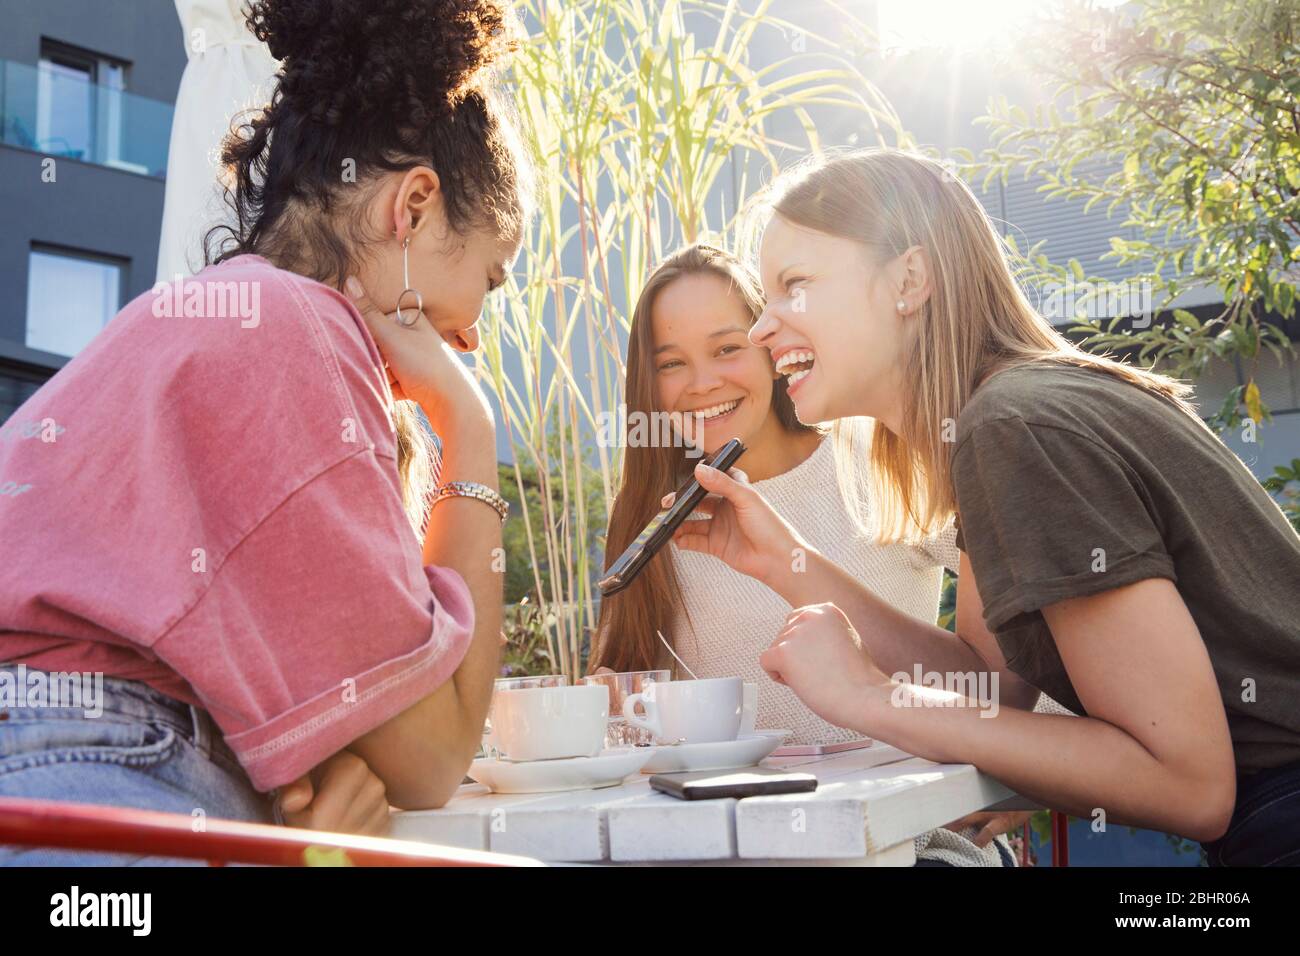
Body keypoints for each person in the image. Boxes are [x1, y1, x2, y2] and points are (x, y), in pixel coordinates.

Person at [0, 0, 534, 863]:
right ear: (416, 206)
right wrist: (467, 428)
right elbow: (434, 755)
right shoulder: (295, 334)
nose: (473, 334)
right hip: (83, 781)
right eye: (493, 279)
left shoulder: (196, 321)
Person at [672, 148, 1300, 866]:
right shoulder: (1008, 413)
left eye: (796, 286)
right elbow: (990, 684)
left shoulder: (1016, 428)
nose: (761, 328)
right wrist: (786, 561)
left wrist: (871, 699)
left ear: (909, 279)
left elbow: (1189, 785)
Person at [590, 243, 1021, 866]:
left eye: (726, 348)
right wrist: (608, 714)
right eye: (672, 363)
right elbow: (637, 704)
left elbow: (1050, 644)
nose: (702, 382)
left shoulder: (881, 463)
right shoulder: (657, 522)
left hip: (909, 840)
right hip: (733, 850)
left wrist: (1032, 783)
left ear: (771, 347)